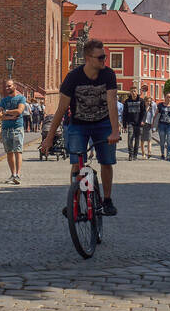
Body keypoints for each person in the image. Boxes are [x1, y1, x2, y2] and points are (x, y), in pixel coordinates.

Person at [39, 38, 121, 216]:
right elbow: (61, 109)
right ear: (88, 58)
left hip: (103, 123)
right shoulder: (73, 77)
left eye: (104, 57)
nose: (104, 61)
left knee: (106, 161)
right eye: (100, 58)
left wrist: (115, 130)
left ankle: (107, 200)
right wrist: (50, 137)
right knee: (77, 164)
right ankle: (75, 201)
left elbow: (112, 102)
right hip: (78, 125)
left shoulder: (108, 74)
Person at [0, 79, 27, 184]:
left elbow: (19, 111)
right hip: (6, 129)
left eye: (9, 86)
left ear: (15, 86)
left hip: (17, 128)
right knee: (9, 152)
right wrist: (10, 116)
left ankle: (18, 174)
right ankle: (13, 174)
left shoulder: (21, 98)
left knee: (18, 151)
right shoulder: (4, 100)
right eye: (6, 86)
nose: (7, 88)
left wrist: (6, 112)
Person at [155, 92, 170, 161]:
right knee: (162, 140)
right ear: (164, 97)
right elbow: (156, 115)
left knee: (169, 139)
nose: (168, 98)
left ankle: (168, 155)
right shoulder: (160, 105)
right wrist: (153, 124)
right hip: (161, 124)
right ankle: (162, 154)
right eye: (167, 97)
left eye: (169, 97)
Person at [123, 89, 144, 160]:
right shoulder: (127, 101)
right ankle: (130, 154)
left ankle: (135, 154)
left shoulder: (141, 101)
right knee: (130, 138)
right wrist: (124, 124)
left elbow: (143, 112)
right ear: (130, 93)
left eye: (135, 91)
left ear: (137, 92)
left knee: (137, 140)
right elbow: (124, 113)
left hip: (138, 123)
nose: (133, 92)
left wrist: (142, 120)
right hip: (130, 123)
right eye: (132, 91)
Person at [142, 89, 156, 159]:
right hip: (143, 125)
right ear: (145, 101)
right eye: (147, 101)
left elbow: (154, 116)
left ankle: (149, 152)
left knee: (149, 139)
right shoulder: (142, 108)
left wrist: (154, 126)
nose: (149, 102)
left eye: (150, 101)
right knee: (142, 140)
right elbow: (140, 116)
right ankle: (143, 153)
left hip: (149, 124)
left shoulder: (151, 108)